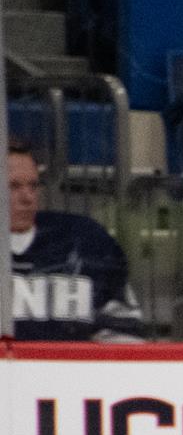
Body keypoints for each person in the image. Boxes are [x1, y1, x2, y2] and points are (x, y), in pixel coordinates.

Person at [8, 138, 143, 341]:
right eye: (13, 186)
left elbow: (125, 336)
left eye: (33, 186)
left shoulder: (86, 241)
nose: (28, 197)